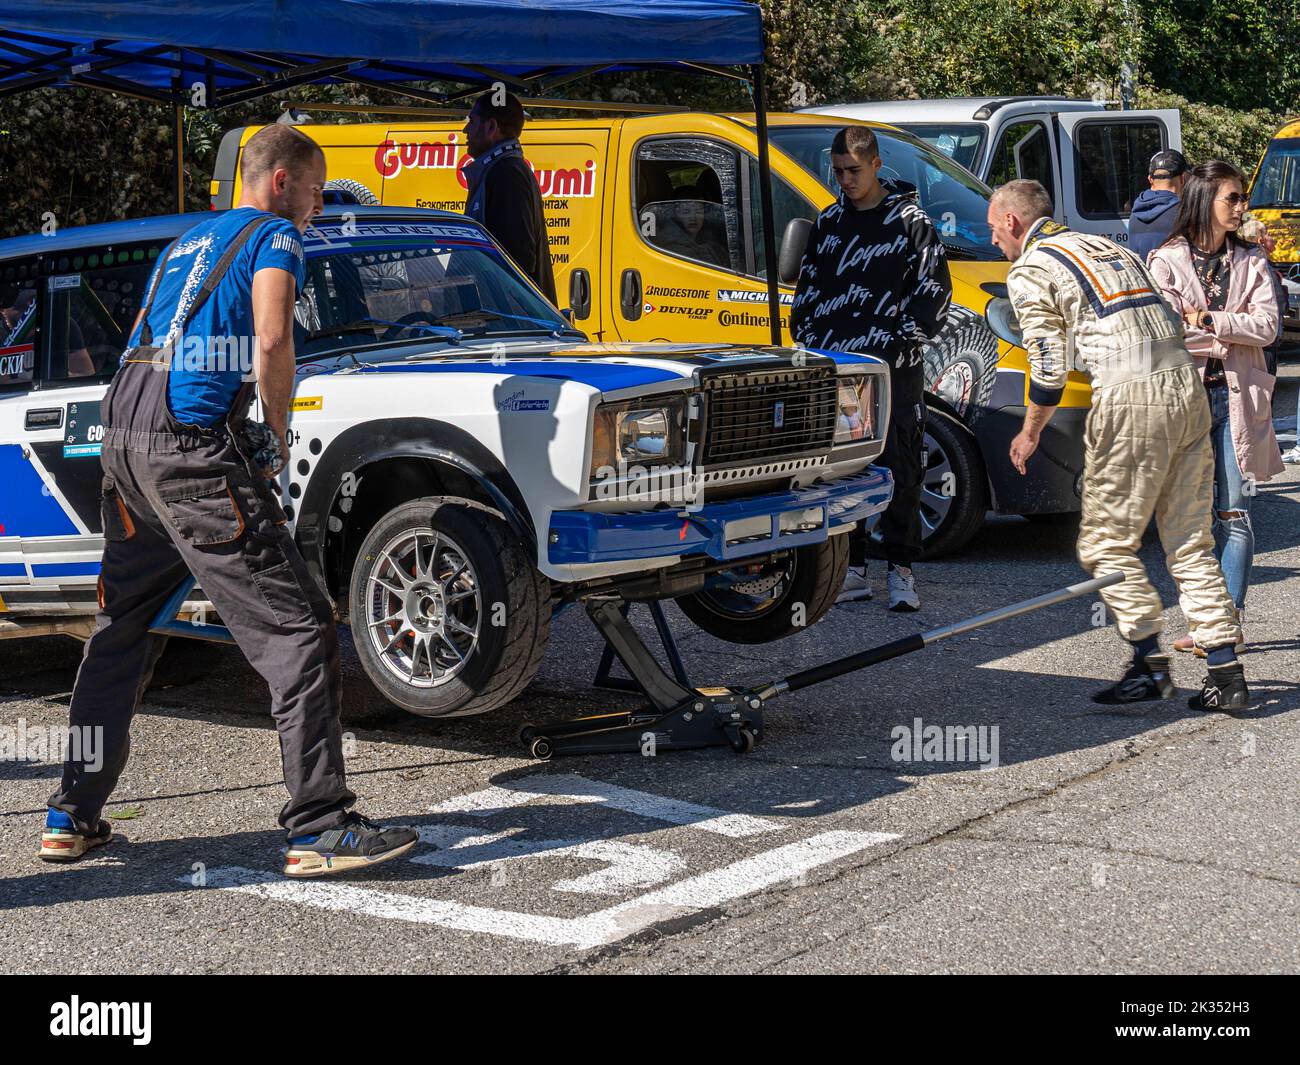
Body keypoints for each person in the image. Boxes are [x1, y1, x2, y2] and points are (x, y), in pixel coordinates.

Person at [41, 124, 417, 875]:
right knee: (301, 626)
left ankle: (69, 816)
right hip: (191, 450)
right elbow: (273, 341)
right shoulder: (277, 237)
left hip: (126, 439)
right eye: (314, 190)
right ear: (282, 182)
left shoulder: (187, 241)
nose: (317, 206)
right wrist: (277, 432)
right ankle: (318, 825)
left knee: (121, 628)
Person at [989, 178, 1250, 711]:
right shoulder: (1106, 245)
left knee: (1104, 542)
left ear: (1013, 222)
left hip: (1132, 396)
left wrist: (1031, 429)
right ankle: (1226, 673)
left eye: (994, 230)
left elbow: (1046, 365)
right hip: (1186, 386)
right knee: (1189, 540)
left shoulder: (1032, 269)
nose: (993, 241)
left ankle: (1150, 665)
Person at [791, 125, 952, 611]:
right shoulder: (828, 222)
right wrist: (811, 337)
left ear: (876, 165)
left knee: (901, 466)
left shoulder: (911, 222)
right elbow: (809, 287)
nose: (845, 179)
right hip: (837, 369)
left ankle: (901, 569)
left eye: (854, 170)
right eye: (838, 171)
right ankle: (852, 565)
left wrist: (898, 341)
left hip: (892, 370)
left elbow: (933, 294)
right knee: (839, 472)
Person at [1147, 162, 1284, 654]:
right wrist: (1229, 325)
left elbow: (1267, 326)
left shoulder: (1251, 259)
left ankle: (1231, 623)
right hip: (1187, 400)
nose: (1242, 207)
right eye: (1233, 198)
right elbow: (1166, 331)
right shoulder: (1164, 261)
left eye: (1242, 197)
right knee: (1189, 516)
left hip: (1237, 398)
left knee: (1235, 513)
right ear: (1205, 199)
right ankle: (1207, 621)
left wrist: (1205, 317)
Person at [462, 90, 557, 303]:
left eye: (472, 121)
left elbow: (516, 259)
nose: (465, 129)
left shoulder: (506, 173)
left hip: (511, 321)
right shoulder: (503, 169)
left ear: (491, 127)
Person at [1129, 149, 1188, 263]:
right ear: (1182, 178)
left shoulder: (1135, 213)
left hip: (1143, 279)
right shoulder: (1184, 212)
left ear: (1150, 179)